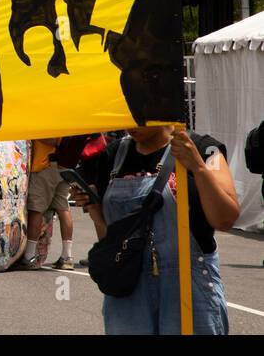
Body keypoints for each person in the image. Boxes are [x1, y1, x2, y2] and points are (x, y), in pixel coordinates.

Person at [76, 126, 238, 335]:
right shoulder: (112, 156)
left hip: (189, 288)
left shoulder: (206, 150)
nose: (131, 125)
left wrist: (198, 167)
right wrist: (95, 211)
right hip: (128, 288)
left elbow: (226, 219)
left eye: (139, 116)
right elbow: (110, 238)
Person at [22, 138, 74, 270]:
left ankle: (29, 256)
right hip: (65, 164)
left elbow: (54, 140)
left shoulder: (50, 119)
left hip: (45, 165)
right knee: (63, 207)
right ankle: (67, 256)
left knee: (36, 208)